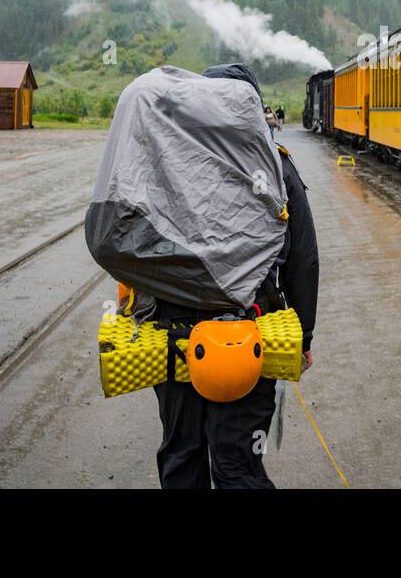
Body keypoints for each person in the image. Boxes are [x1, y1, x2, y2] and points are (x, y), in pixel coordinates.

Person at [150, 62, 319, 488]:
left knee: (182, 452)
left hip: (176, 336)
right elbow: (303, 261)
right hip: (246, 335)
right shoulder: (277, 167)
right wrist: (304, 338)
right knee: (236, 460)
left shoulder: (171, 162)